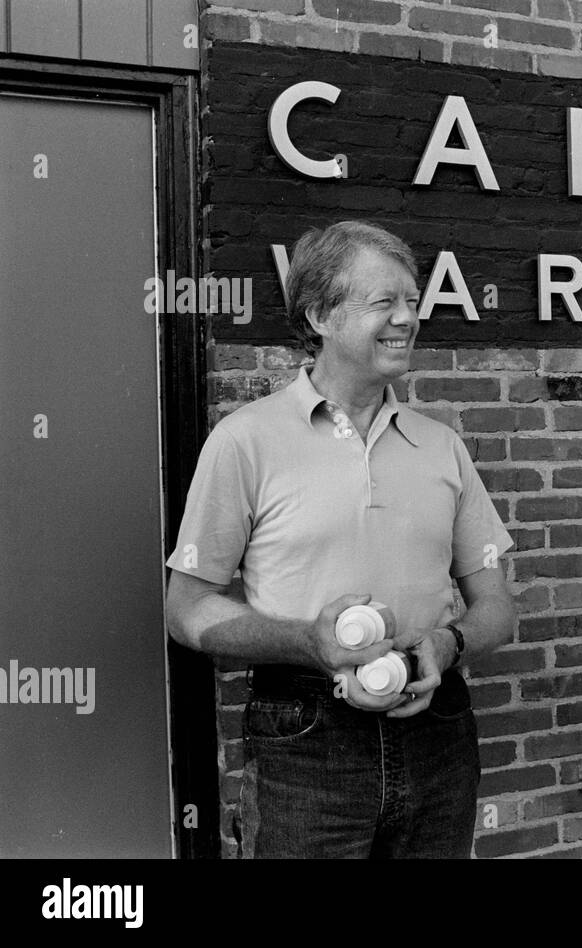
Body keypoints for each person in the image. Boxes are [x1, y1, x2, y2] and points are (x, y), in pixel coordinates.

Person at [165, 220, 516, 858]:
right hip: (305, 740)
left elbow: (496, 607)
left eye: (412, 301)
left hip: (437, 729)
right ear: (320, 315)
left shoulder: (442, 446)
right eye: (384, 302)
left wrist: (447, 644)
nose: (407, 318)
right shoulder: (245, 441)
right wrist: (307, 642)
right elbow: (186, 610)